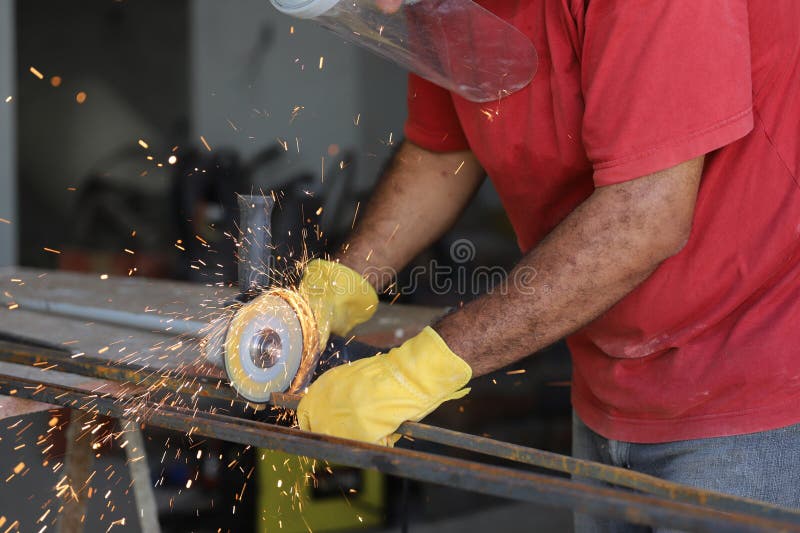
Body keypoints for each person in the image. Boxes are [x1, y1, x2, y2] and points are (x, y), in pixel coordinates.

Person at [295, 0, 800, 527]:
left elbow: (645, 216)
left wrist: (419, 369)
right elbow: (443, 153)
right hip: (609, 378)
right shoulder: (440, 5)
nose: (388, 6)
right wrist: (339, 284)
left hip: (753, 382)